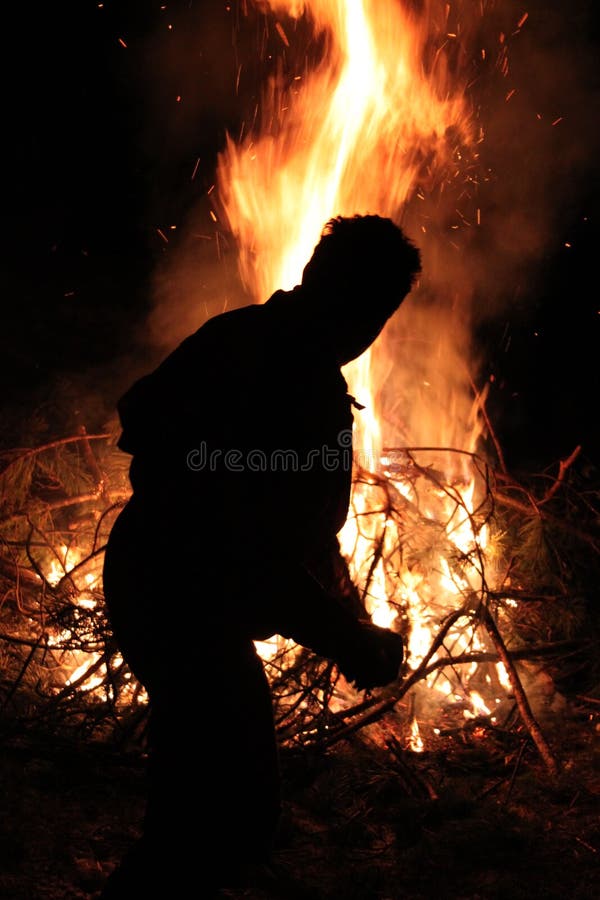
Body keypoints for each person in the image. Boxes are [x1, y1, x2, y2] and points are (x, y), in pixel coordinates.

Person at [100, 214, 421, 897]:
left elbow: (303, 536)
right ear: (345, 297)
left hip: (179, 588)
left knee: (223, 802)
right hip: (176, 596)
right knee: (218, 810)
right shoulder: (274, 373)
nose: (371, 329)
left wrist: (350, 612)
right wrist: (346, 640)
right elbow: (246, 553)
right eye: (374, 309)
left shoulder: (257, 345)